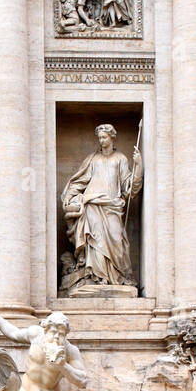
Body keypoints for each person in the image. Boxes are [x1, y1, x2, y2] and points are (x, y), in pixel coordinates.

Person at [61, 122, 142, 288]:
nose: (102, 140)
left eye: (104, 137)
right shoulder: (93, 159)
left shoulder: (120, 159)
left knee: (116, 238)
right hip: (92, 203)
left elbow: (129, 185)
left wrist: (139, 165)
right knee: (94, 240)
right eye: (100, 138)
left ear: (111, 138)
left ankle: (115, 277)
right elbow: (80, 181)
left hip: (112, 204)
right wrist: (69, 196)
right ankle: (95, 276)